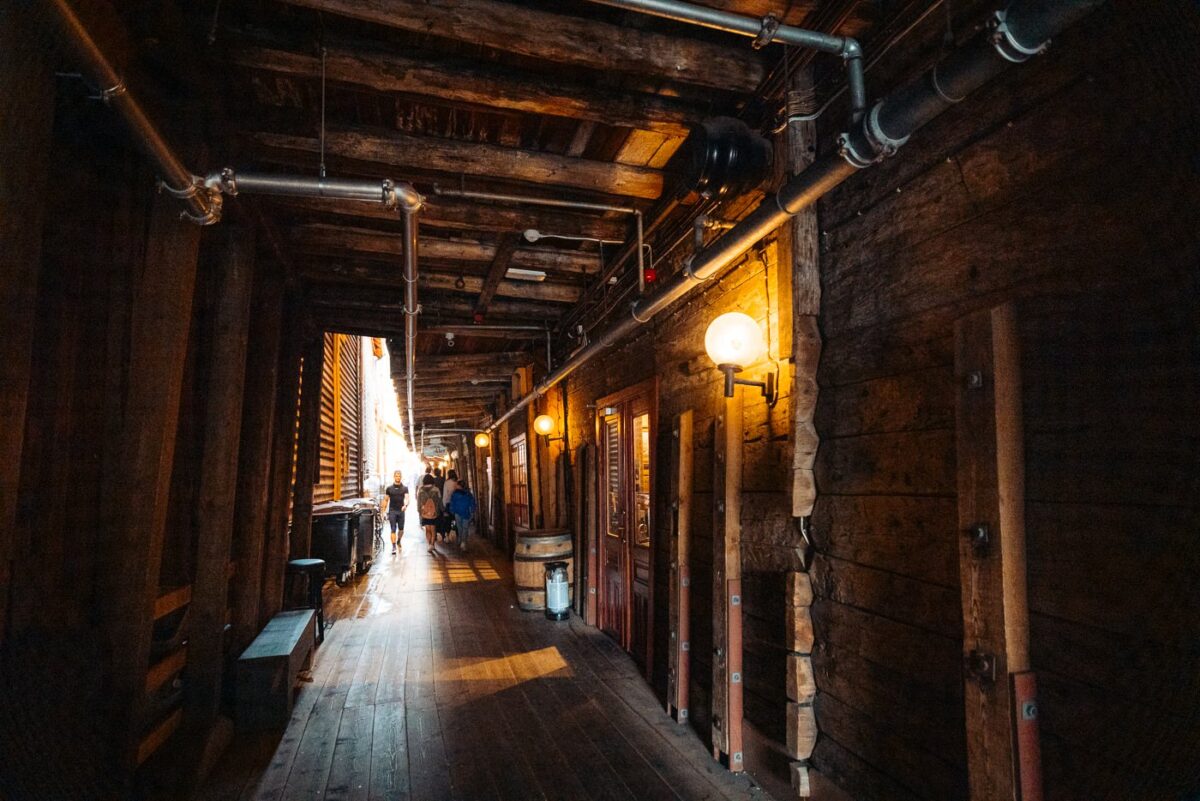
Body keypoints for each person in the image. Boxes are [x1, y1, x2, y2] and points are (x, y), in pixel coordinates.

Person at [380, 471, 408, 554]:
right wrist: (383, 511)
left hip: (401, 511)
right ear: (394, 477)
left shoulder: (405, 488)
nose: (398, 477)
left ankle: (399, 540)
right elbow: (385, 500)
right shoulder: (389, 488)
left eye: (399, 476)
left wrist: (405, 505)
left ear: (401, 477)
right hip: (392, 511)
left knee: (401, 529)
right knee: (393, 529)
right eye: (396, 476)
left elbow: (407, 498)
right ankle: (393, 546)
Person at [416, 474, 443, 554]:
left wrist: (419, 511)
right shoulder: (436, 489)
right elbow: (439, 500)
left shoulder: (421, 490)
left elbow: (419, 501)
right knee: (433, 528)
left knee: (427, 529)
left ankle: (429, 545)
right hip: (434, 512)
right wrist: (442, 509)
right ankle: (432, 544)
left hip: (425, 512)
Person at [447, 479, 477, 551]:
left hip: (457, 512)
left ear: (459, 485)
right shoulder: (468, 494)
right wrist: (472, 511)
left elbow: (452, 503)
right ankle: (463, 542)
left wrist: (452, 511)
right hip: (466, 512)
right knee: (465, 528)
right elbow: (472, 503)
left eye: (457, 484)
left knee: (459, 527)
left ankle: (460, 540)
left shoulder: (454, 494)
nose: (456, 485)